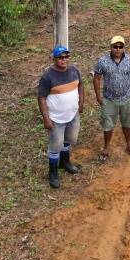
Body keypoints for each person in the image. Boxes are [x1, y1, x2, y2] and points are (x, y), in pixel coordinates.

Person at [38, 45, 85, 188]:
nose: (64, 60)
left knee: (69, 140)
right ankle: (53, 172)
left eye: (66, 57)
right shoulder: (48, 76)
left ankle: (65, 162)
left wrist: (81, 102)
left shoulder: (74, 70)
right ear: (54, 59)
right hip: (56, 118)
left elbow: (81, 85)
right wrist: (46, 118)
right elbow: (41, 98)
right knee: (55, 146)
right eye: (60, 57)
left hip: (72, 115)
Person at [93, 35, 130, 161]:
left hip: (126, 98)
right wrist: (98, 96)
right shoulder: (102, 61)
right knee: (108, 125)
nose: (118, 49)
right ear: (111, 47)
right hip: (109, 99)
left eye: (120, 46)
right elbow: (96, 79)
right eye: (115, 46)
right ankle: (106, 147)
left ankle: (129, 144)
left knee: (128, 122)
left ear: (124, 47)